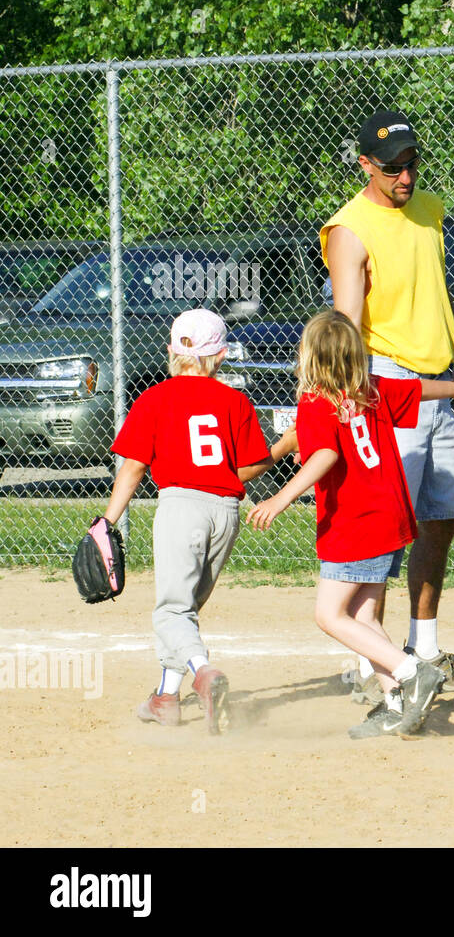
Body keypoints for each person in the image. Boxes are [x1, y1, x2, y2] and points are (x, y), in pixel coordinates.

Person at [246, 311, 454, 738]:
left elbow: (324, 456)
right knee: (364, 615)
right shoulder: (370, 389)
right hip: (390, 518)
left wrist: (278, 499)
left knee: (329, 615)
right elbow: (419, 389)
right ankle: (395, 703)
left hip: (355, 523)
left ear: (309, 360)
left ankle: (413, 672)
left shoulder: (316, 402)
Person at [321, 108, 454, 699]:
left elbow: (435, 296)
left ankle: (424, 645)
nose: (405, 176)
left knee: (442, 518)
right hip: (390, 384)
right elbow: (346, 325)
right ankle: (377, 664)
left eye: (412, 164)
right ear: (365, 164)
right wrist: (347, 403)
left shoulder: (430, 211)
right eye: (392, 168)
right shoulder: (349, 229)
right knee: (385, 530)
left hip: (442, 377)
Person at [108, 309, 291, 734]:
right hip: (224, 513)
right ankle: (166, 698)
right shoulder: (235, 401)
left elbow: (133, 467)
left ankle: (204, 674)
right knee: (184, 610)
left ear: (171, 350)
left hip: (180, 508)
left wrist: (108, 519)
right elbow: (248, 467)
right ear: (222, 355)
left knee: (172, 610)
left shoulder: (154, 398)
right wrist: (284, 445)